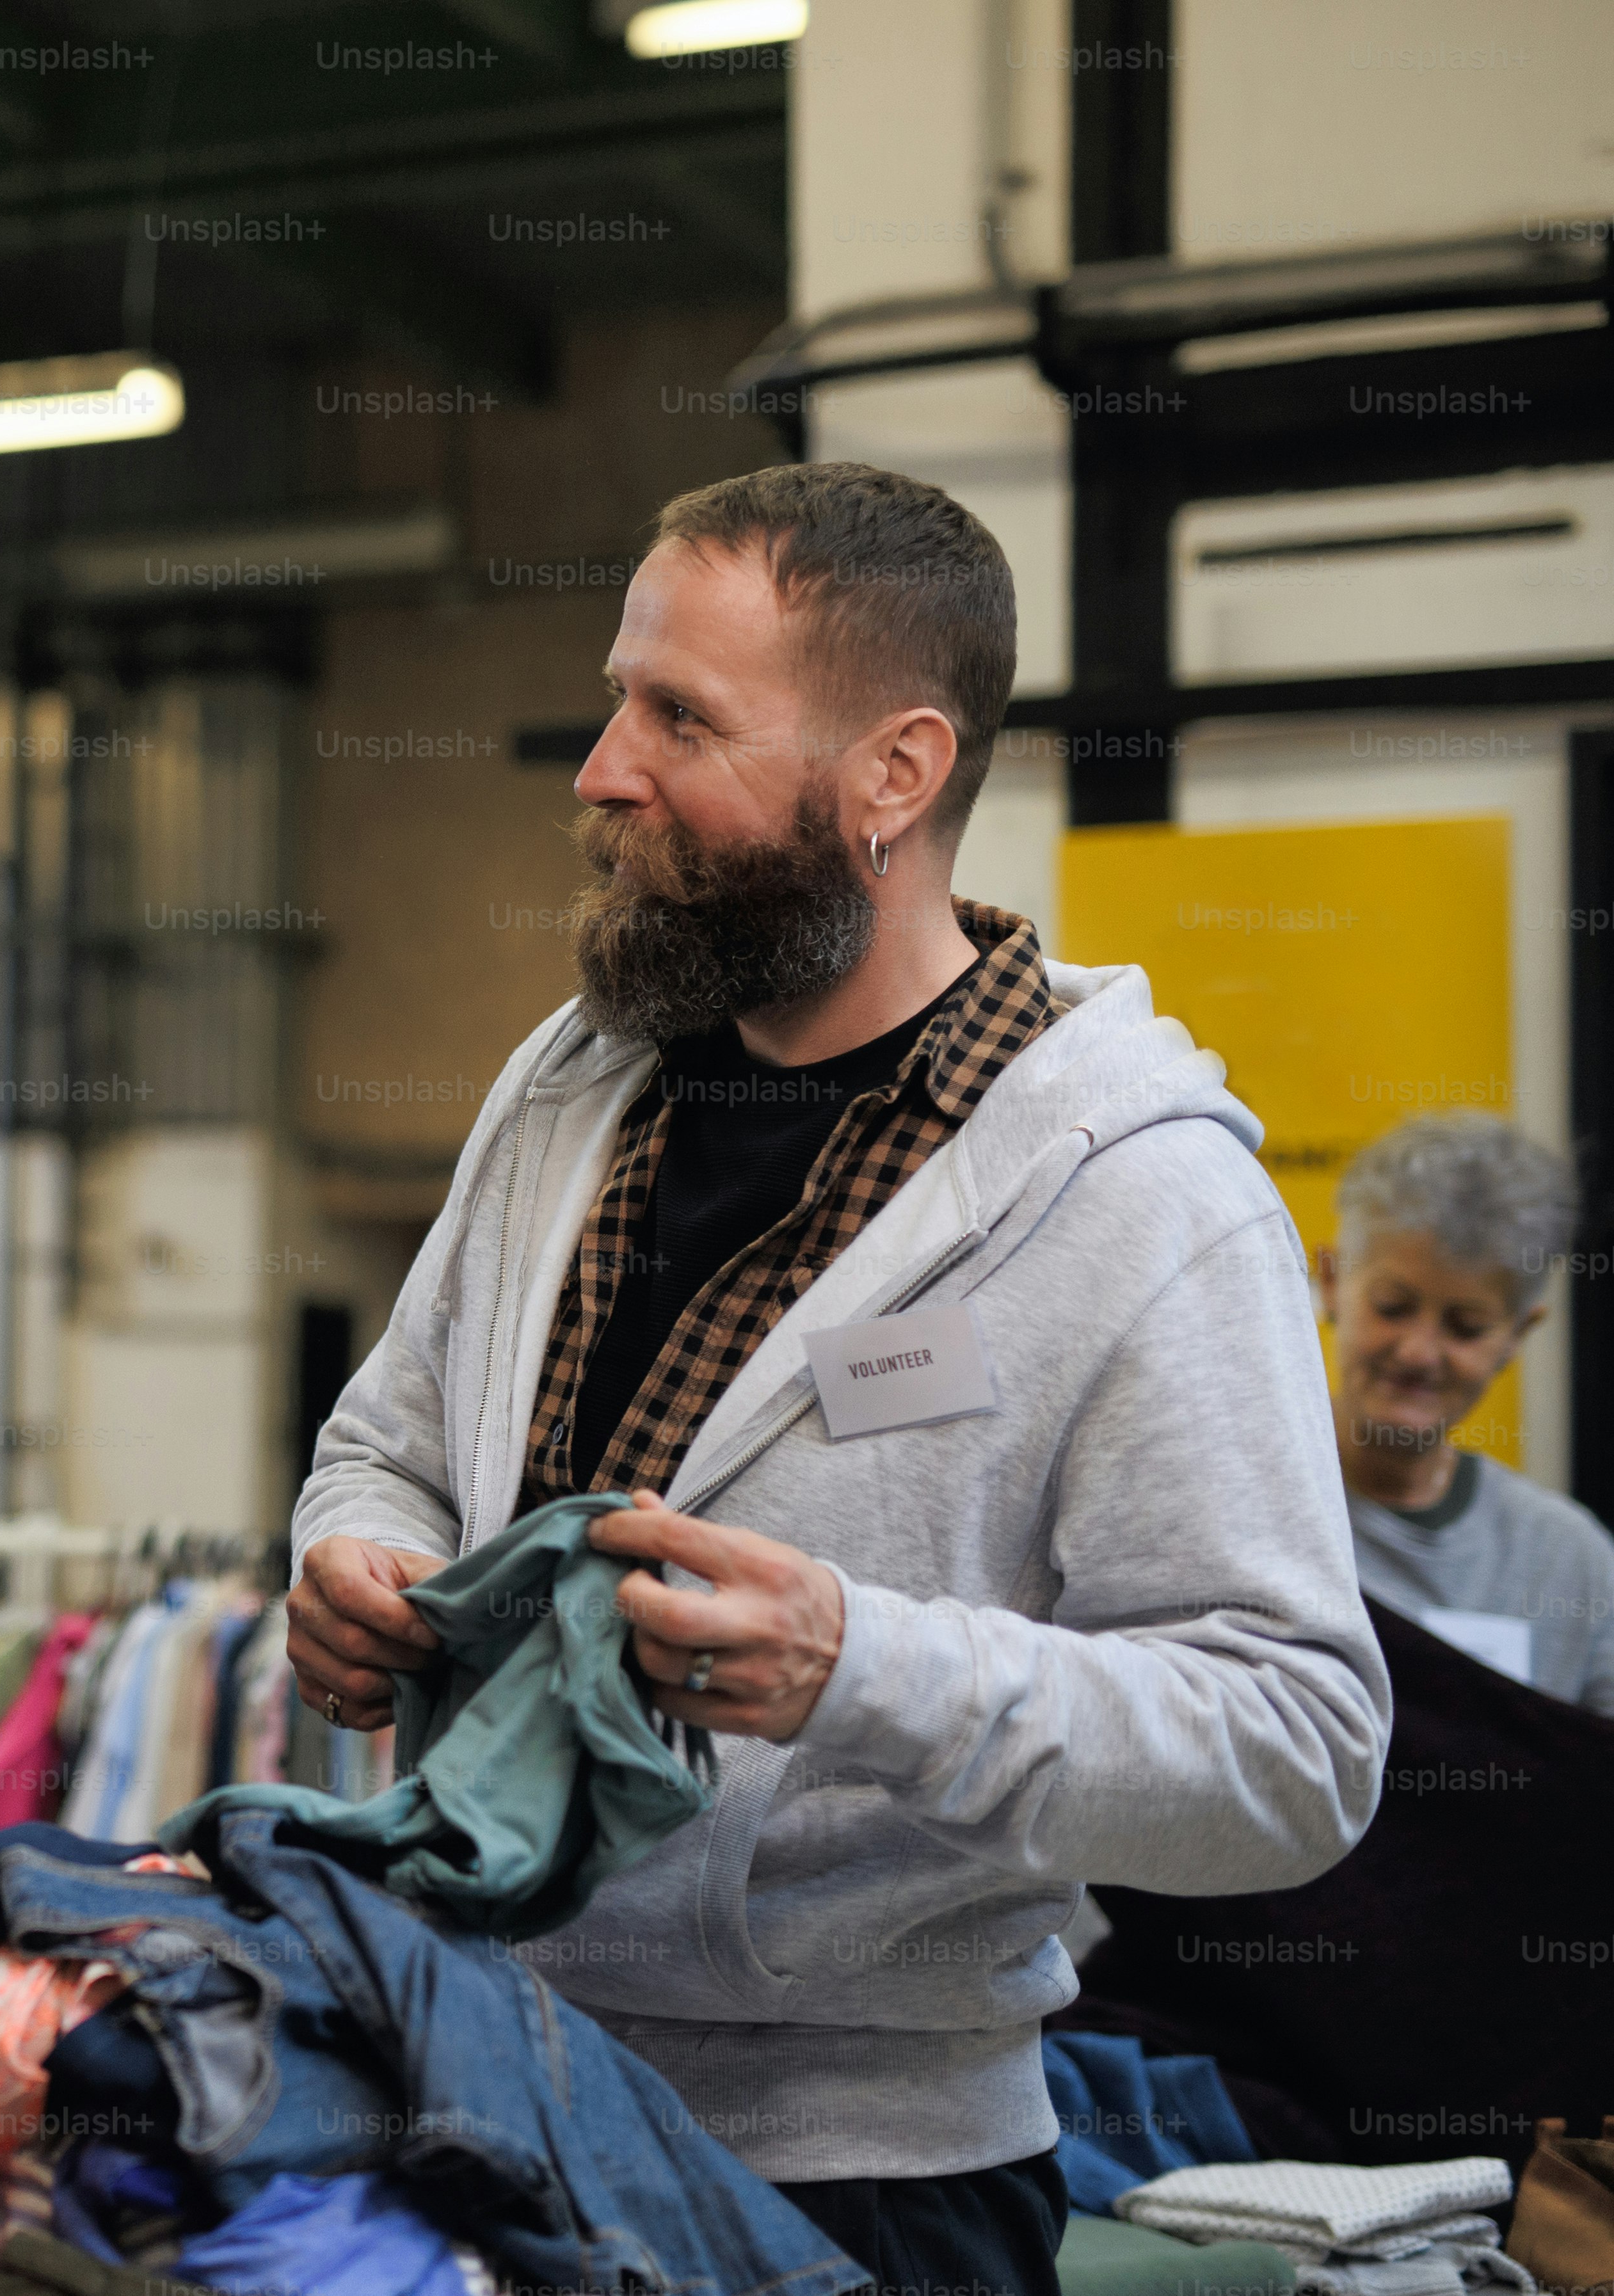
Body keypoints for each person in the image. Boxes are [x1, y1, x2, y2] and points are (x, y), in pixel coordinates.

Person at [283, 463, 1387, 2296]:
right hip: (468, 2094)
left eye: (677, 718)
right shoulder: (568, 1087)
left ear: (893, 773)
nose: (598, 769)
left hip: (861, 2192)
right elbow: (383, 1441)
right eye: (616, 695)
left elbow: (1290, 1748)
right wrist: (358, 1556)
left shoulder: (1141, 1197)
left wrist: (855, 1669)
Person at [1323, 1114, 1614, 1711]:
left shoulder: (1569, 1561)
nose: (1419, 1353)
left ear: (1518, 1336)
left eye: (1466, 1327)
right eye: (1393, 1306)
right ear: (1330, 1283)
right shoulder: (1240, 1511)